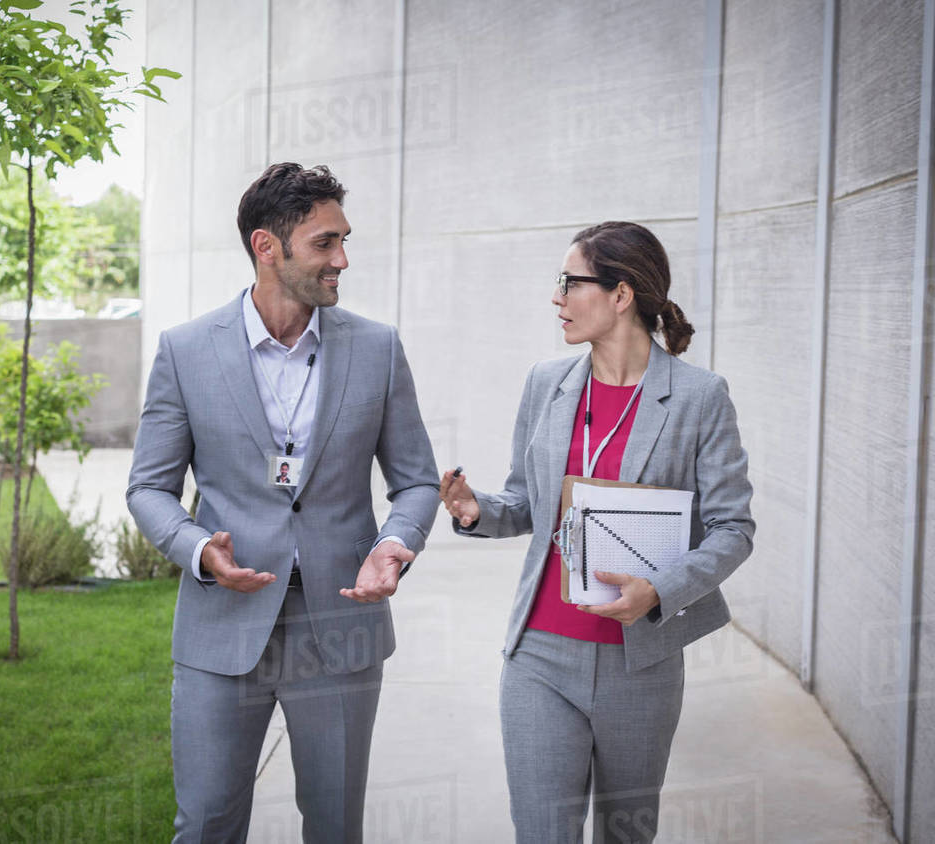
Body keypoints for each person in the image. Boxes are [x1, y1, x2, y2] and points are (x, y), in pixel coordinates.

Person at [126, 162, 439, 844]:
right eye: (326, 243)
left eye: (343, 240)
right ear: (267, 247)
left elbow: (416, 480)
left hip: (342, 625)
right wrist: (196, 548)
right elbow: (149, 487)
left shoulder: (378, 349)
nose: (343, 259)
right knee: (206, 821)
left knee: (334, 827)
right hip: (222, 620)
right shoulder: (185, 352)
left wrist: (394, 544)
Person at [439, 221, 754, 843]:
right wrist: (477, 510)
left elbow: (732, 528)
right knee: (542, 833)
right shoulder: (545, 383)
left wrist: (660, 590)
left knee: (625, 835)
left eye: (570, 282)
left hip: (640, 662)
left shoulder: (699, 398)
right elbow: (528, 502)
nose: (557, 298)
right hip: (540, 655)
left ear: (620, 294)